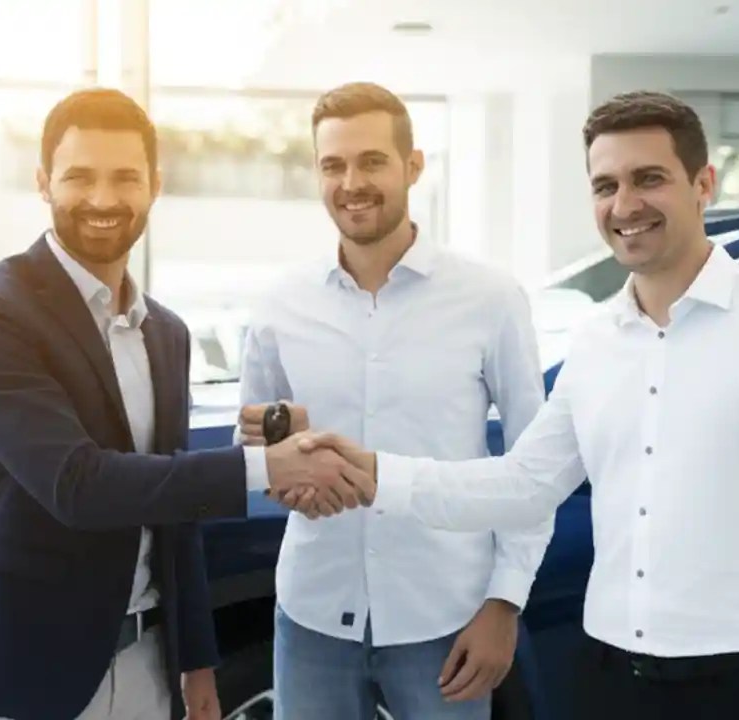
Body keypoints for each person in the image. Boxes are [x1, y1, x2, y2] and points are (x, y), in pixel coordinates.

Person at [294, 91, 739, 720]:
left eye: (649, 179)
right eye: (604, 185)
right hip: (608, 682)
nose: (624, 205)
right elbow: (524, 485)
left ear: (704, 184)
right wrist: (374, 475)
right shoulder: (595, 341)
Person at [0, 88, 374, 720]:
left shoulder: (166, 331)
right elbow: (76, 483)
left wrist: (196, 660)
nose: (104, 199)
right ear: (42, 183)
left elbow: (173, 513)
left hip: (148, 666)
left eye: (125, 177)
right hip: (27, 670)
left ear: (155, 186)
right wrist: (267, 469)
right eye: (79, 176)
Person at [235, 82, 553, 720]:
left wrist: (504, 605)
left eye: (371, 161)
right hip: (312, 616)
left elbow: (534, 468)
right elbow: (253, 450)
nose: (352, 182)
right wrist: (280, 473)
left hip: (447, 618)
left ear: (412, 166)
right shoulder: (279, 304)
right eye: (333, 165)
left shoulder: (490, 298)